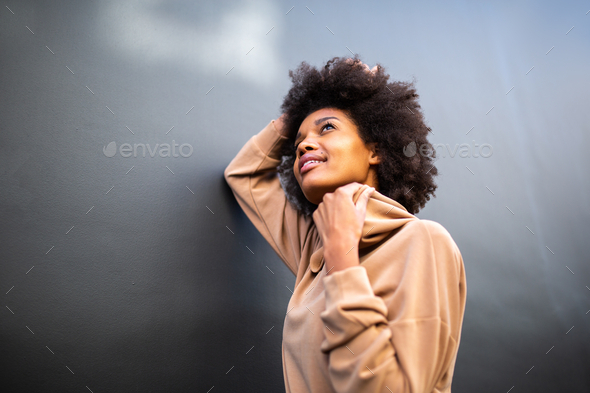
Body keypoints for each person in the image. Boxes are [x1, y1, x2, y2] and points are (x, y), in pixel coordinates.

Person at [224, 55, 466, 393]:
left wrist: (343, 264)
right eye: (297, 146)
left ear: (375, 150)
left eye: (327, 128)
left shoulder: (422, 240)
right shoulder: (315, 247)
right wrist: (294, 117)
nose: (305, 145)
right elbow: (245, 175)